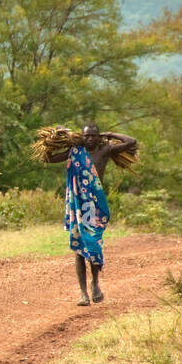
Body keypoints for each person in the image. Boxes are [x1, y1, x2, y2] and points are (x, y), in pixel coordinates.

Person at [46, 124, 137, 305]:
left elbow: (130, 141)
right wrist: (55, 137)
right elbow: (49, 159)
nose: (89, 139)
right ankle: (83, 294)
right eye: (86, 136)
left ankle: (95, 283)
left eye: (93, 136)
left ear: (98, 136)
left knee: (94, 246)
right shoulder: (74, 151)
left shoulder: (105, 150)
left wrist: (109, 133)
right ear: (82, 136)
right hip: (78, 205)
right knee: (79, 248)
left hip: (95, 205)